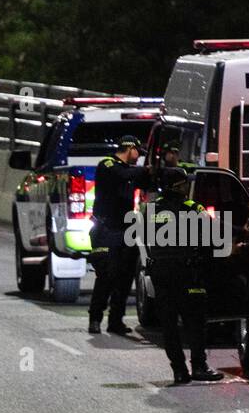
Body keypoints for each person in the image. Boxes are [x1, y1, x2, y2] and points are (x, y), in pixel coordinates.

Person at [146, 168, 224, 385]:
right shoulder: (192, 208)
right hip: (187, 272)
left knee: (169, 324)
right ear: (179, 186)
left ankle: (179, 371)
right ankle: (199, 366)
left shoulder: (150, 209)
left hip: (161, 272)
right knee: (195, 321)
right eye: (184, 184)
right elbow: (215, 234)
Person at [88, 134, 150, 335]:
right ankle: (95, 319)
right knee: (106, 275)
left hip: (125, 231)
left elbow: (141, 181)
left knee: (124, 278)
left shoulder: (129, 171)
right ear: (129, 148)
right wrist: (145, 170)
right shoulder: (108, 164)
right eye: (137, 152)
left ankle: (115, 321)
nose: (138, 156)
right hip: (106, 230)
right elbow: (122, 175)